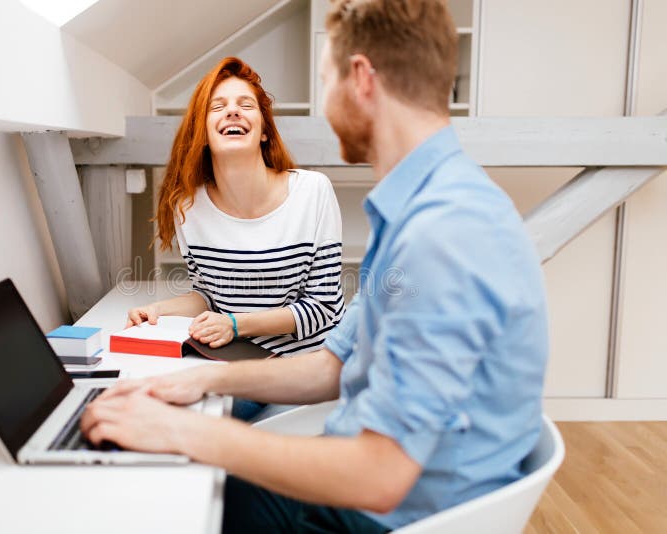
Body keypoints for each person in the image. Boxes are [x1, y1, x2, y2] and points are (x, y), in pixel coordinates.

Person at [82, 0, 548, 531]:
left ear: (360, 79)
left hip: (391, 516)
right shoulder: (416, 211)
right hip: (370, 485)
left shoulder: (442, 234)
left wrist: (185, 432)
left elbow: (380, 477)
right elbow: (333, 366)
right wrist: (203, 381)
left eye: (325, 80)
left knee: (178, 492)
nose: (324, 106)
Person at [128, 57, 344, 419]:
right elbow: (210, 296)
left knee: (184, 422)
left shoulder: (312, 192)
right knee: (141, 402)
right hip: (229, 360)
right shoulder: (188, 206)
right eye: (219, 107)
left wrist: (235, 324)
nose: (233, 112)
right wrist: (157, 311)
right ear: (203, 132)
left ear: (263, 131)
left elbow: (323, 309)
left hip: (300, 368)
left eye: (246, 106)